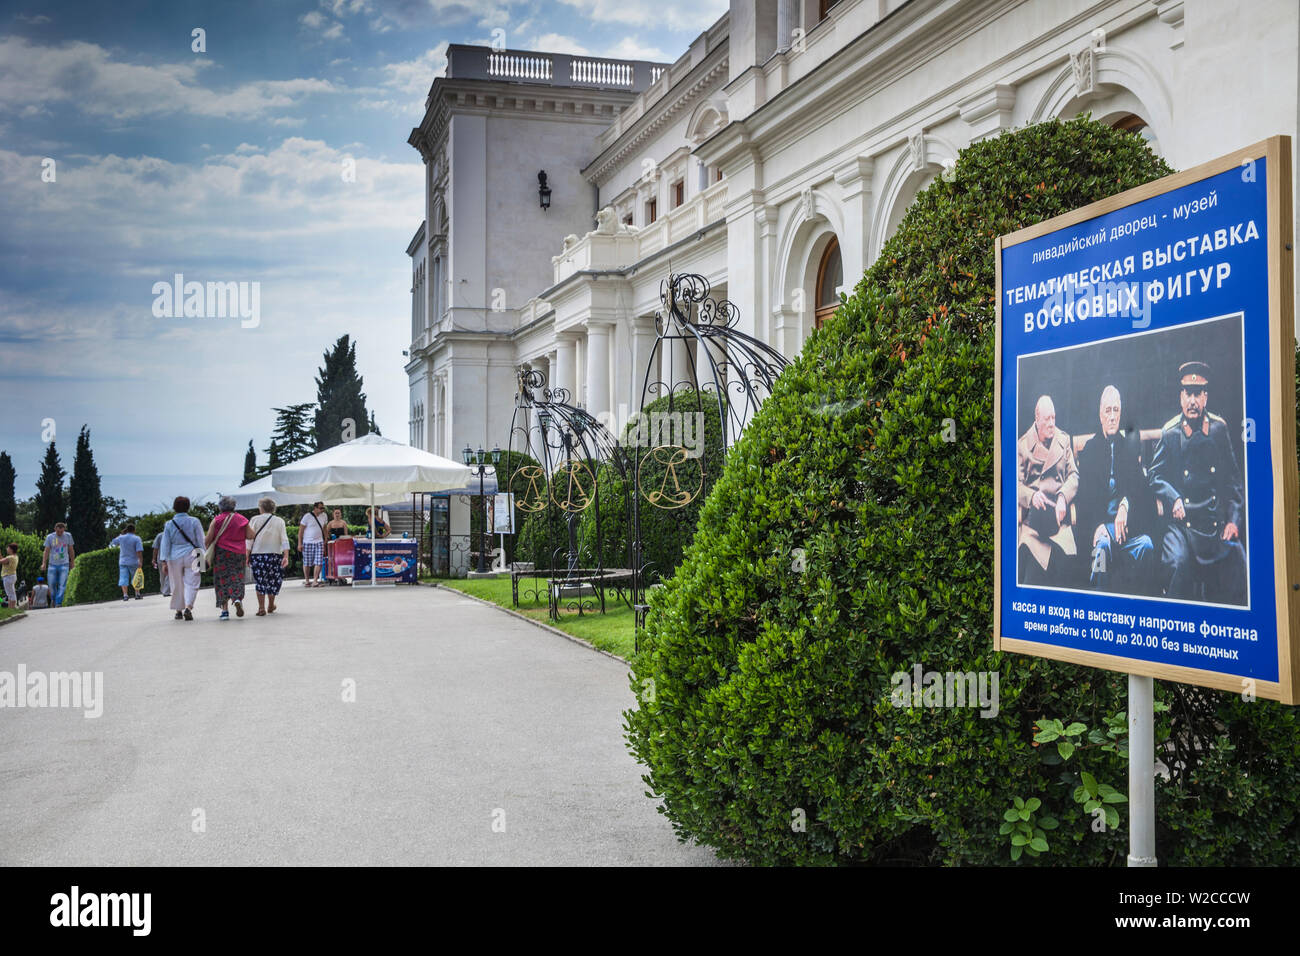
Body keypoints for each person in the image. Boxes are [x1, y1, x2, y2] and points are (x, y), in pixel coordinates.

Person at [1147, 361, 1247, 605]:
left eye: (1198, 394)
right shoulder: (1170, 433)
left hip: (1213, 522)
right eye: (1188, 394)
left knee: (1238, 560)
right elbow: (1154, 475)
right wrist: (1174, 497)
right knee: (1177, 563)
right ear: (1181, 397)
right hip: (1181, 525)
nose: (1192, 401)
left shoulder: (1218, 429)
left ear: (1206, 397)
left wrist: (1233, 521)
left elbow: (1233, 482)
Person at [1076, 386, 1156, 594]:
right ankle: (1097, 601)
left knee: (1146, 545)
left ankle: (1141, 605)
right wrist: (1096, 525)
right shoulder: (1090, 451)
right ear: (1100, 415)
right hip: (1100, 532)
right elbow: (1083, 499)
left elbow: (1141, 489)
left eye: (1116, 411)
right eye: (1108, 411)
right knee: (1100, 550)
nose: (1112, 417)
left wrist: (1125, 505)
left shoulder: (1128, 448)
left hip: (1125, 532)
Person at [1016, 395, 1079, 586]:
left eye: (1054, 418)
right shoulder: (1023, 445)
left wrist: (1062, 497)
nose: (1052, 423)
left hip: (1058, 523)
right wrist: (1032, 496)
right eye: (1047, 419)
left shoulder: (1063, 439)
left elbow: (1074, 476)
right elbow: (1015, 485)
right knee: (1033, 575)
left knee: (1070, 574)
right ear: (1037, 419)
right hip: (1033, 526)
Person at [159, 496, 205, 621]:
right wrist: (203, 557)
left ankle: (178, 610)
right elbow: (201, 540)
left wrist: (163, 561)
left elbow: (165, 543)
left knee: (176, 584)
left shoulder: (169, 524)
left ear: (174, 507)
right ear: (188, 507)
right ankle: (188, 607)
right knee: (193, 582)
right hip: (193, 554)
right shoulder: (194, 521)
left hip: (174, 556)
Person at [205, 496, 250, 620]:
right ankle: (236, 598)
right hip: (239, 553)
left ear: (220, 507)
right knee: (237, 576)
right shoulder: (241, 519)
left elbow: (208, 539)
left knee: (222, 579)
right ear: (233, 506)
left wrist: (207, 550)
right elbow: (251, 535)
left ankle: (224, 612)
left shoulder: (217, 520)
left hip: (222, 553)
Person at [247, 497, 290, 615]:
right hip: (275, 555)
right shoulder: (279, 521)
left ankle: (261, 608)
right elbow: (284, 539)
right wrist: (286, 555)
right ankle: (271, 605)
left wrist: (247, 555)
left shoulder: (254, 519)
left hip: (258, 555)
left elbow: (249, 540)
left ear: (261, 508)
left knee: (260, 581)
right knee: (273, 580)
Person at [41, 521, 75, 607]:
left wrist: (72, 562)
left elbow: (71, 550)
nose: (60, 533)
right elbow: (46, 551)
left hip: (64, 564)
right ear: (55, 529)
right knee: (51, 584)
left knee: (62, 584)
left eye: (62, 531)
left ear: (64, 530)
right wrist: (44, 563)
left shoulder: (68, 536)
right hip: (52, 564)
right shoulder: (50, 537)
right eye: (58, 531)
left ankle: (58, 602)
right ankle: (54, 599)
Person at [110, 523, 145, 602]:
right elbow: (139, 551)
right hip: (134, 561)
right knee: (135, 577)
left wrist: (121, 534)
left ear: (126, 530)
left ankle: (125, 595)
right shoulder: (137, 538)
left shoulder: (121, 537)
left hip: (123, 561)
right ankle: (137, 594)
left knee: (123, 578)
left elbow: (114, 542)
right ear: (134, 530)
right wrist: (140, 561)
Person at [298, 502, 327, 588]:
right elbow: (300, 531)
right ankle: (307, 580)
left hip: (319, 541)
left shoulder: (324, 515)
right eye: (320, 508)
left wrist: (325, 538)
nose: (322, 510)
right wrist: (300, 543)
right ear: (315, 508)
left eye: (323, 508)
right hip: (307, 542)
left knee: (319, 561)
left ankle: (315, 580)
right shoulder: (307, 516)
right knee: (307, 562)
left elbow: (324, 527)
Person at [324, 508, 350, 585]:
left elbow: (346, 534)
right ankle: (334, 575)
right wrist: (326, 541)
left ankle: (341, 576)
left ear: (341, 514)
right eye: (336, 513)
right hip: (332, 545)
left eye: (338, 513)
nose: (337, 515)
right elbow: (326, 533)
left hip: (342, 545)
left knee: (341, 560)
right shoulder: (330, 523)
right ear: (333, 514)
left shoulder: (343, 523)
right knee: (333, 560)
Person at [152, 529, 171, 598]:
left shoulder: (159, 535)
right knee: (168, 575)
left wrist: (153, 559)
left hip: (160, 558)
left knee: (162, 575)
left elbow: (155, 548)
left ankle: (164, 590)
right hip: (169, 558)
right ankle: (165, 591)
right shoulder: (171, 534)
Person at [1, 543, 18, 608]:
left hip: (8, 577)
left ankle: (12, 607)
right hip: (12, 576)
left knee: (10, 594)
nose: (6, 549)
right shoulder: (15, 556)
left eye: (8, 548)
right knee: (11, 593)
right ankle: (11, 607)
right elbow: (3, 561)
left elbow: (1, 561)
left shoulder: (10, 557)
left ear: (11, 549)